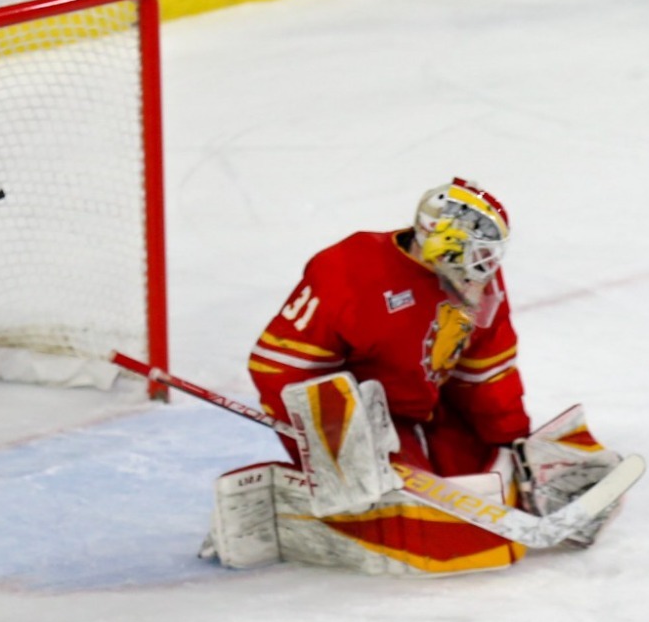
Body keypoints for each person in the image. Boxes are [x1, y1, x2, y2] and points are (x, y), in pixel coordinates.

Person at [228, 179, 622, 575]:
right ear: (443, 242)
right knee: (440, 529)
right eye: (479, 254)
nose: (488, 268)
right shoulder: (349, 271)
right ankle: (303, 515)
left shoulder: (478, 282)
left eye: (491, 255)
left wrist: (512, 438)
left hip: (426, 408)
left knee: (489, 482)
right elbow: (279, 367)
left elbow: (486, 369)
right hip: (363, 421)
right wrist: (337, 450)